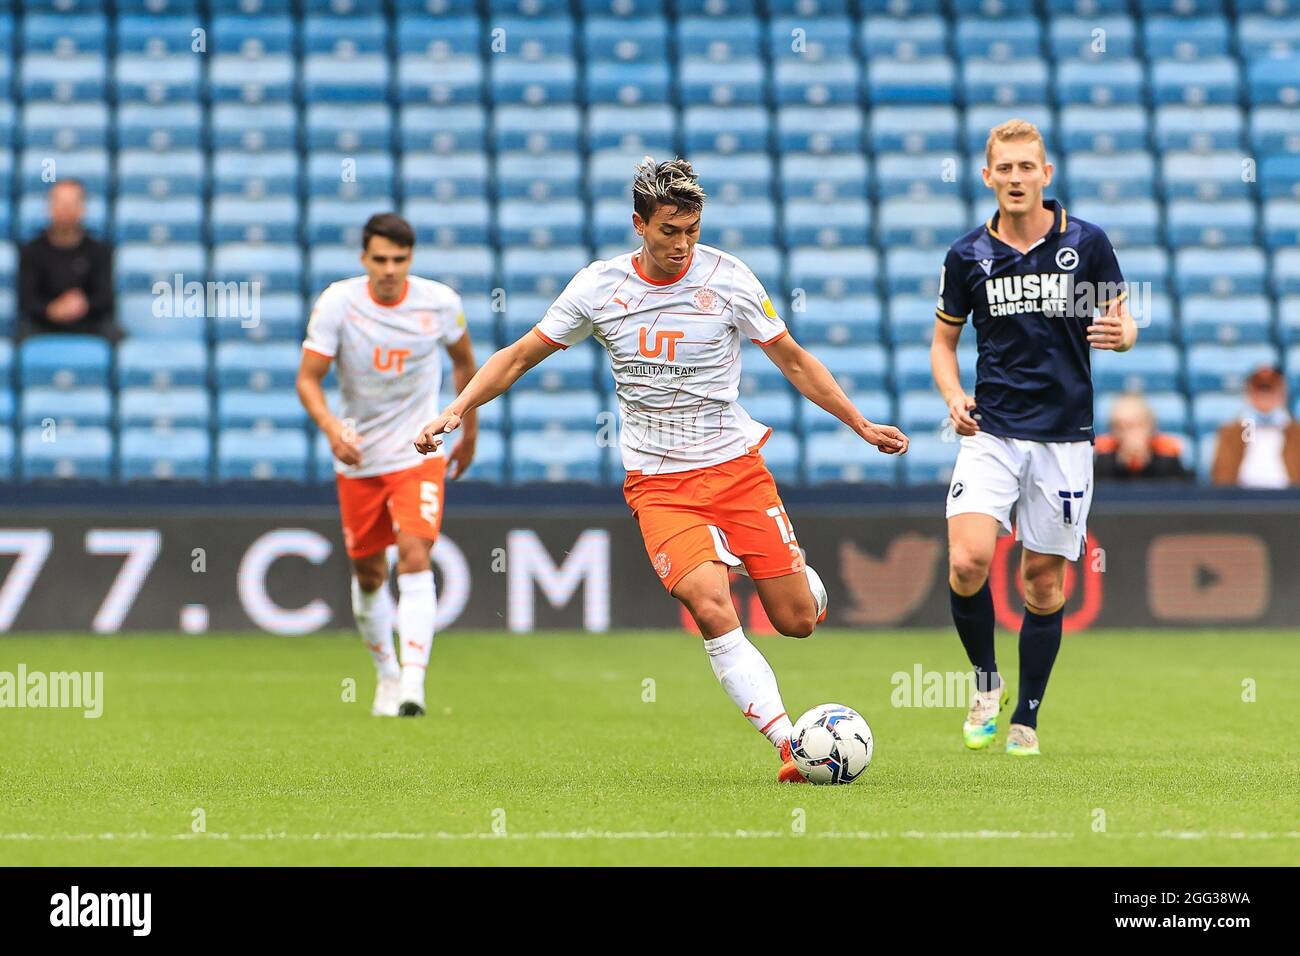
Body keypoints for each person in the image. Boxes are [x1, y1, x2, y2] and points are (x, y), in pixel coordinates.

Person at [415, 157, 909, 782]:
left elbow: (793, 359)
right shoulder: (598, 289)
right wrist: (455, 409)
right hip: (659, 484)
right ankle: (788, 743)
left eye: (692, 230)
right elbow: (517, 358)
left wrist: (859, 423)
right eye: (669, 230)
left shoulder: (729, 279)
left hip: (735, 468)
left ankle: (799, 581)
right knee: (709, 605)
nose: (681, 245)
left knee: (796, 621)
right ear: (638, 225)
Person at [930, 119, 1137, 756]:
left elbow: (1121, 320)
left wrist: (1122, 335)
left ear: (1046, 176)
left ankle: (1028, 716)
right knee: (967, 561)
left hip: (1064, 436)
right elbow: (943, 342)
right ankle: (986, 683)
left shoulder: (1087, 242)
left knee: (1041, 585)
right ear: (987, 176)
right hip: (991, 429)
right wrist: (952, 396)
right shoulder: (967, 255)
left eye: (1027, 168)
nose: (1016, 179)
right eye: (1005, 169)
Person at [297, 213, 478, 718]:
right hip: (360, 455)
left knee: (415, 554)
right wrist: (333, 429)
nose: (390, 269)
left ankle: (413, 688)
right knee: (370, 574)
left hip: (418, 450)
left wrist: (467, 431)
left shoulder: (440, 303)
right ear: (364, 259)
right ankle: (386, 675)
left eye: (399, 259)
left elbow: (466, 365)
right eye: (380, 259)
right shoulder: (339, 302)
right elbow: (308, 379)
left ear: (411, 260)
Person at [17, 179, 120, 342]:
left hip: (88, 322)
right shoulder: (31, 250)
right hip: (43, 324)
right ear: (49, 207)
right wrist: (52, 309)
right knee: (20, 336)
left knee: (116, 335)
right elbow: (26, 300)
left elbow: (105, 298)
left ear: (82, 208)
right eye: (60, 203)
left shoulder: (99, 251)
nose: (65, 210)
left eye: (71, 204)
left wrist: (82, 305)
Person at [1211, 366, 1300, 488]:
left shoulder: (1295, 432)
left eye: (1270, 391)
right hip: (1243, 500)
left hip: (1289, 500)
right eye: (1260, 391)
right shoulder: (1233, 431)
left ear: (1282, 393)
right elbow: (1222, 476)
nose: (1265, 398)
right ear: (1249, 393)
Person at [1094, 393, 1191, 480]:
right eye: (1120, 427)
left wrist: (1146, 461)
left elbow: (1184, 491)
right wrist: (1121, 463)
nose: (1128, 434)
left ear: (1150, 426)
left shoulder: (1168, 459)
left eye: (1135, 425)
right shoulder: (1103, 463)